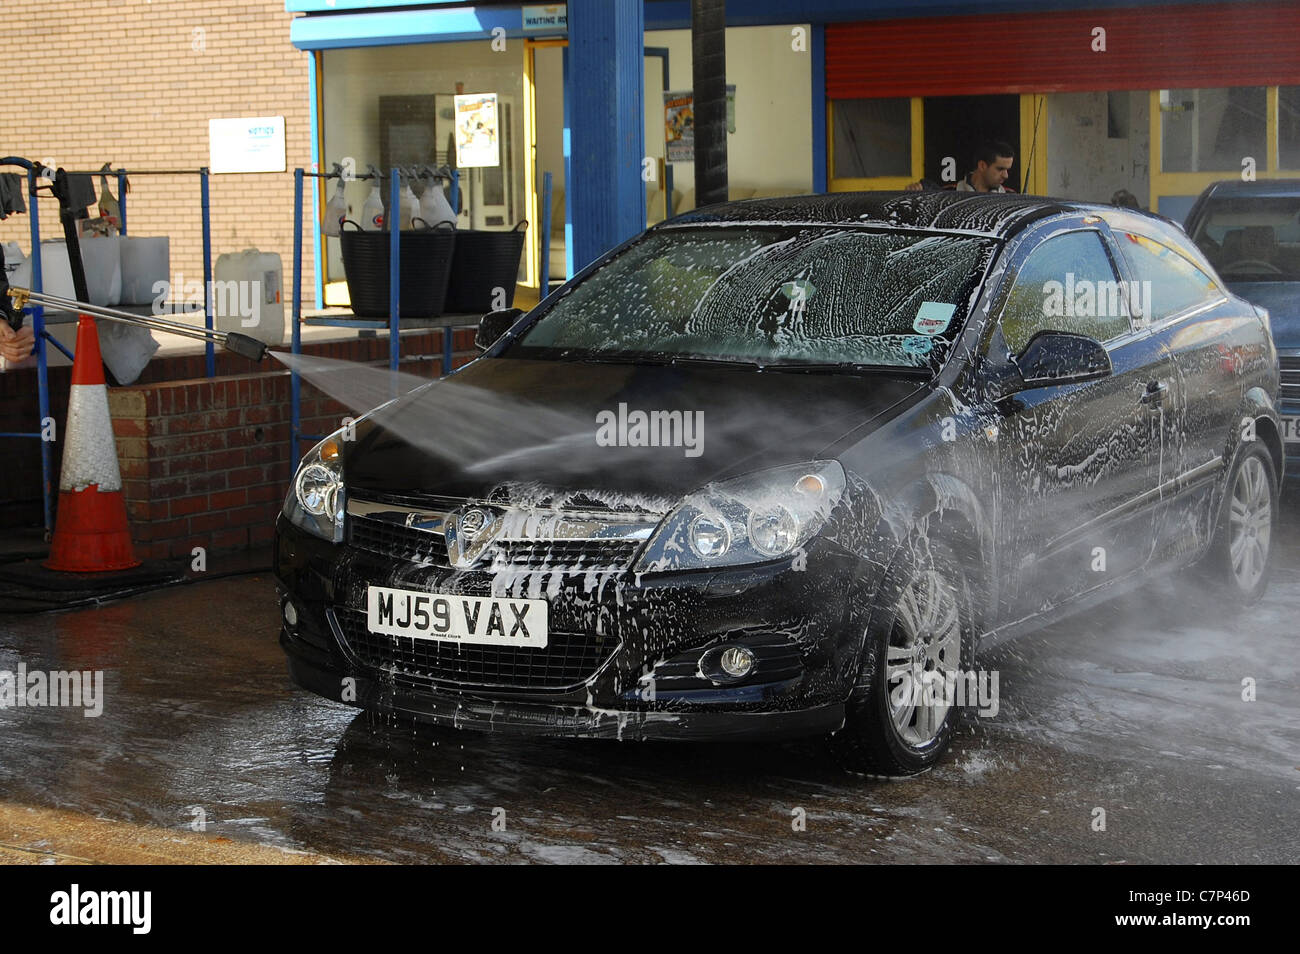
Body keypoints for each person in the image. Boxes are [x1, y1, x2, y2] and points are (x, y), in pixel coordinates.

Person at [906, 140, 1016, 193]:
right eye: (1000, 169)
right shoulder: (949, 193)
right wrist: (916, 191)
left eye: (1007, 170)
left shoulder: (1012, 197)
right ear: (982, 166)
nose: (1006, 175)